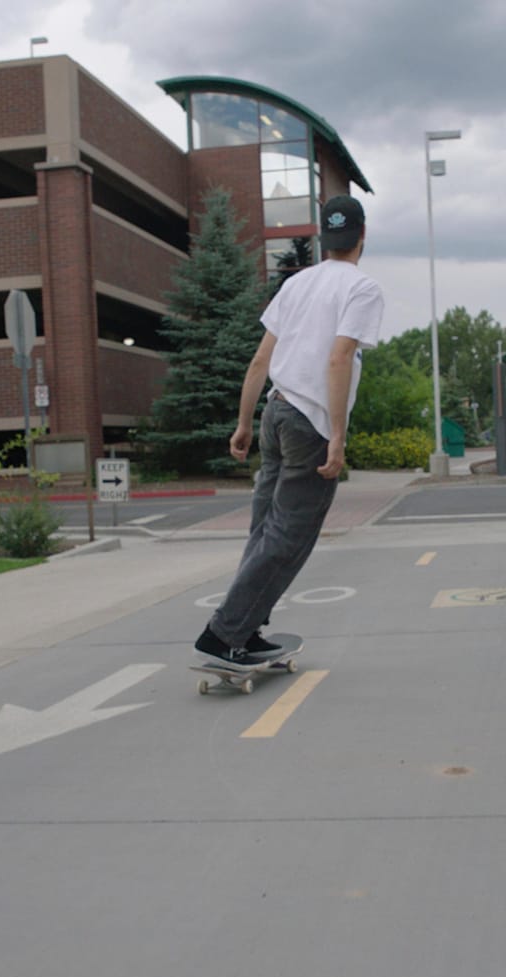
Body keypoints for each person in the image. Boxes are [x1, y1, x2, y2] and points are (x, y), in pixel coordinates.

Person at [194, 194, 384, 667]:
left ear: (326, 237)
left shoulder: (298, 284)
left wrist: (243, 423)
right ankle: (224, 634)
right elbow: (339, 359)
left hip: (274, 412)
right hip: (308, 422)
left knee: (264, 531)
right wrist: (337, 436)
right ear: (362, 236)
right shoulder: (361, 290)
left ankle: (246, 629)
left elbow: (261, 358)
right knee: (288, 536)